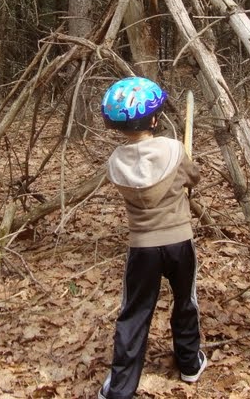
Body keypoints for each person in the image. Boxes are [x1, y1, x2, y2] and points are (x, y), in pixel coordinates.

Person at [97, 76, 207, 399]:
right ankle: (189, 363)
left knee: (134, 311)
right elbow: (193, 177)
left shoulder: (115, 163)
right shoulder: (174, 149)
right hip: (179, 243)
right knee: (185, 300)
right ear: (155, 119)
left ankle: (120, 388)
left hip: (142, 249)